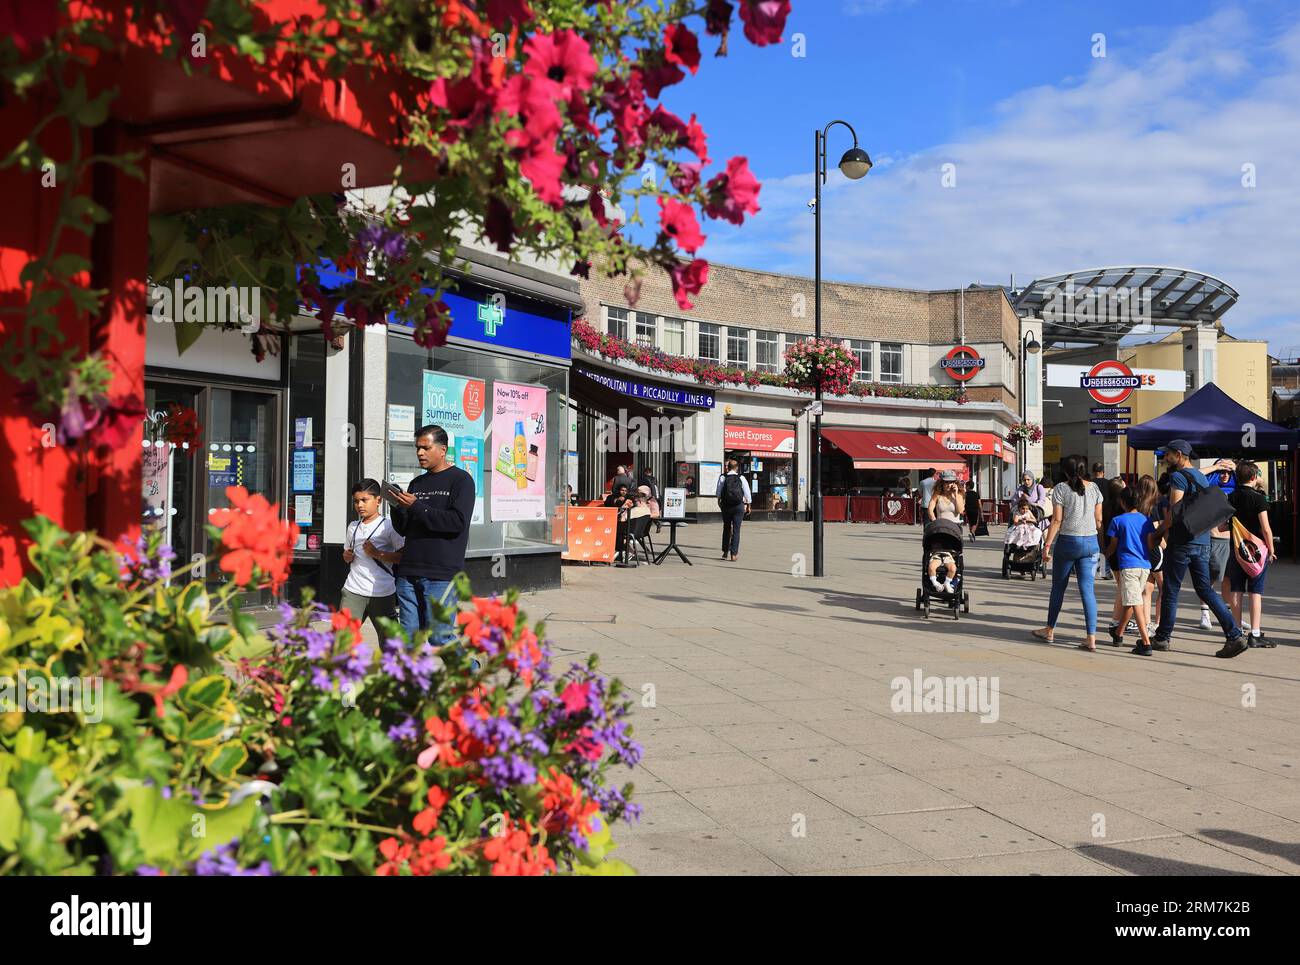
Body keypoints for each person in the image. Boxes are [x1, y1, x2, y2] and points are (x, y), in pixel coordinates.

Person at [1150, 440, 1246, 658]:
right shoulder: (1200, 477)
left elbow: (1174, 512)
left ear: (1179, 455)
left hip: (1182, 542)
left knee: (1171, 590)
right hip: (1202, 540)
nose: (1165, 458)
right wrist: (1217, 466)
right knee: (1204, 589)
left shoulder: (1177, 477)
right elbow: (1197, 473)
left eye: (1168, 455)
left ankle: (1163, 637)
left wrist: (1158, 534)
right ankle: (1234, 635)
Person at [386, 424, 475, 644]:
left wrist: (416, 506)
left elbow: (456, 522)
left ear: (442, 450)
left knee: (439, 637)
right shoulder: (417, 482)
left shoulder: (461, 480)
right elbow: (406, 529)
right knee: (408, 638)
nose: (420, 453)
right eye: (417, 448)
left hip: (441, 574)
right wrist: (397, 507)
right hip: (408, 571)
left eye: (425, 448)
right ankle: (412, 678)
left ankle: (470, 671)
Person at [1033, 455, 1103, 651]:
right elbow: (1098, 520)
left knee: (1058, 588)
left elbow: (1056, 520)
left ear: (1065, 471)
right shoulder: (1095, 489)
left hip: (1068, 543)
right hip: (1090, 543)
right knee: (1087, 591)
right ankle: (1091, 637)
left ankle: (1049, 630)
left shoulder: (1061, 489)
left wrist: (1047, 546)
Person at [340, 479, 405, 638]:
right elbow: (346, 555)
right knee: (342, 639)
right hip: (353, 590)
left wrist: (377, 553)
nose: (360, 505)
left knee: (390, 642)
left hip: (382, 592)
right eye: (356, 501)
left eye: (364, 500)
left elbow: (403, 558)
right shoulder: (353, 527)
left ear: (378, 500)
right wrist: (347, 556)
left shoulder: (389, 526)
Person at [1226, 461, 1275, 648]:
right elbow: (1266, 528)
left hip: (1236, 550)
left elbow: (1223, 524)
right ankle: (1255, 633)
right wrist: (1271, 549)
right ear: (1254, 477)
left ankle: (1237, 632)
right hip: (1257, 553)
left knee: (1236, 590)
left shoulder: (1230, 498)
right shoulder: (1259, 499)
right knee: (1255, 591)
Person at [1105, 487, 1156, 655]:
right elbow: (1150, 544)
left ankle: (1146, 643)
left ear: (1122, 502)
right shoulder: (1146, 520)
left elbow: (1113, 545)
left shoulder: (1118, 521)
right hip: (1145, 566)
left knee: (1135, 603)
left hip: (1128, 565)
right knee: (1131, 600)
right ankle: (1118, 633)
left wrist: (1105, 554)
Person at [1201, 460, 1236, 630]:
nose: (1225, 475)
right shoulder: (1209, 487)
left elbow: (1259, 481)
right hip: (1214, 538)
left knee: (1228, 578)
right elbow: (1196, 476)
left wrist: (1236, 468)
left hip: (1231, 540)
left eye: (1228, 472)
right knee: (1210, 577)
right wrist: (1216, 466)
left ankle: (1228, 615)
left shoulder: (1236, 487)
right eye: (1222, 472)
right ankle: (1205, 613)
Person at [1101, 478, 1128, 639]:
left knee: (1121, 586)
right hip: (1122, 549)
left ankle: (1118, 620)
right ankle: (1117, 621)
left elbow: (1102, 526)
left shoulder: (1106, 505)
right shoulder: (1124, 508)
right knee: (1123, 588)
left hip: (1111, 550)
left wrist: (1104, 548)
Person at [1135, 474, 1161, 636]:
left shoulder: (1136, 506)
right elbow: (1157, 530)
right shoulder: (1154, 507)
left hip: (1141, 550)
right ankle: (1158, 623)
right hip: (1155, 551)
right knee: (1165, 587)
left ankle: (1146, 622)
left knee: (1147, 588)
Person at [716, 458, 751, 561]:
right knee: (736, 530)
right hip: (738, 506)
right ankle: (734, 554)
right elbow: (747, 493)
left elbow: (718, 492)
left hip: (726, 506)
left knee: (726, 528)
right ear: (736, 468)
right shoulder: (741, 478)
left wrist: (719, 502)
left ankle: (725, 552)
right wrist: (748, 505)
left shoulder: (723, 477)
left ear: (728, 467)